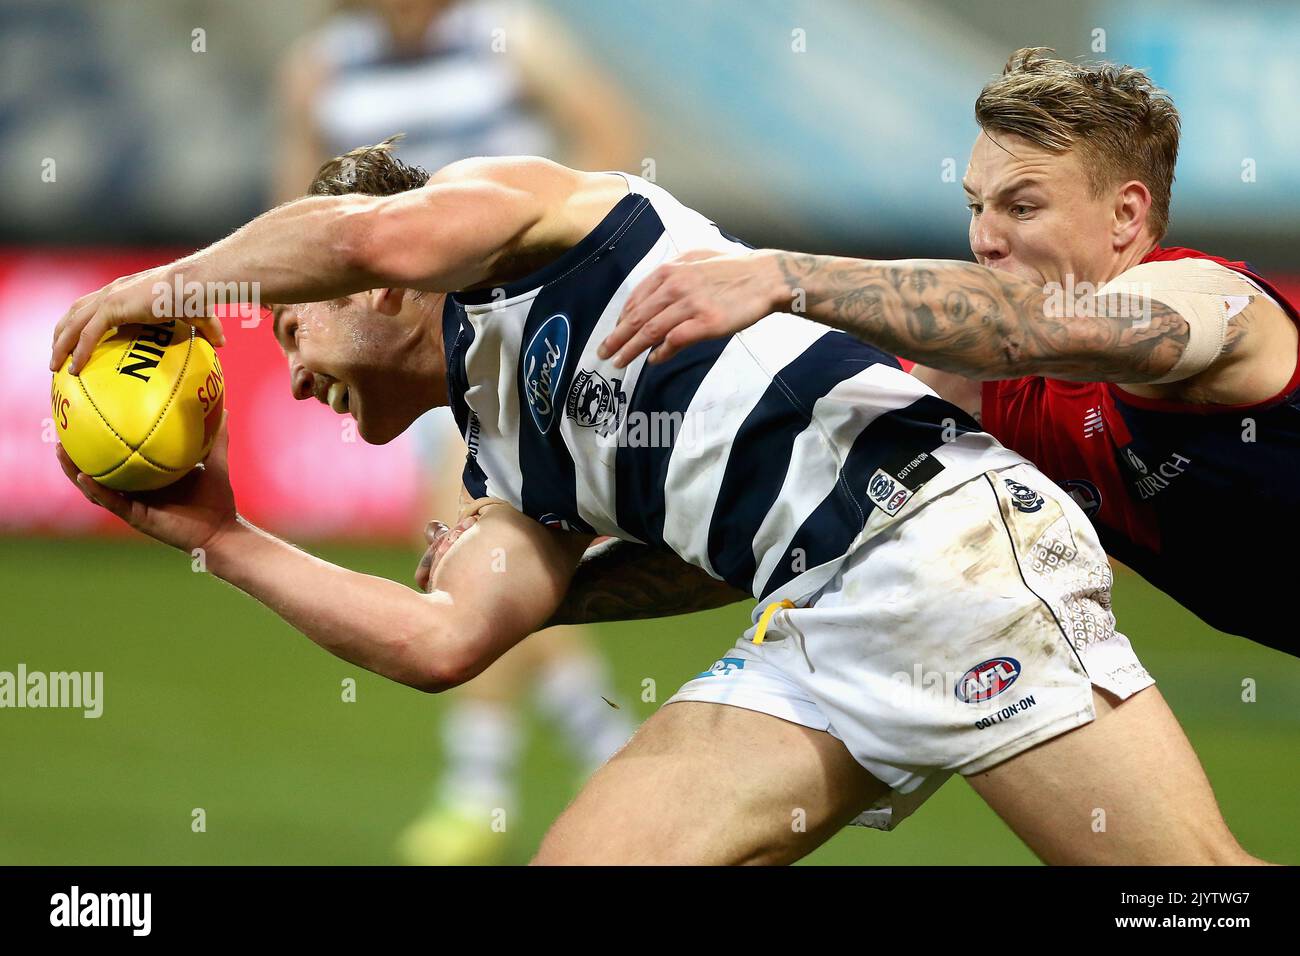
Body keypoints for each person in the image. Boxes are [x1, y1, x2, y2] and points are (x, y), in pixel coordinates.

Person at [50, 143, 1265, 865]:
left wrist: (169, 281)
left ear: (370, 293)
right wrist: (222, 536)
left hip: (940, 547)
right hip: (813, 619)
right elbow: (442, 641)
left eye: (291, 320)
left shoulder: (526, 222)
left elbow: (384, 231)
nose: (292, 364)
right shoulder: (505, 469)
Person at [599, 48, 1300, 656]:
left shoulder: (1206, 301)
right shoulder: (972, 391)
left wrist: (785, 276)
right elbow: (792, 519)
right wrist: (537, 587)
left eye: (1022, 208)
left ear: (1126, 214)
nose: (985, 238)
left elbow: (1028, 328)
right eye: (976, 207)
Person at [273, 0, 644, 865]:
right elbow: (296, 207)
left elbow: (609, 135)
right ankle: (606, 749)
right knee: (476, 556)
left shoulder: (507, 33)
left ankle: (475, 791)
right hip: (391, 339)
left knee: (471, 551)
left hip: (500, 335)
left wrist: (540, 263)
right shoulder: (324, 63)